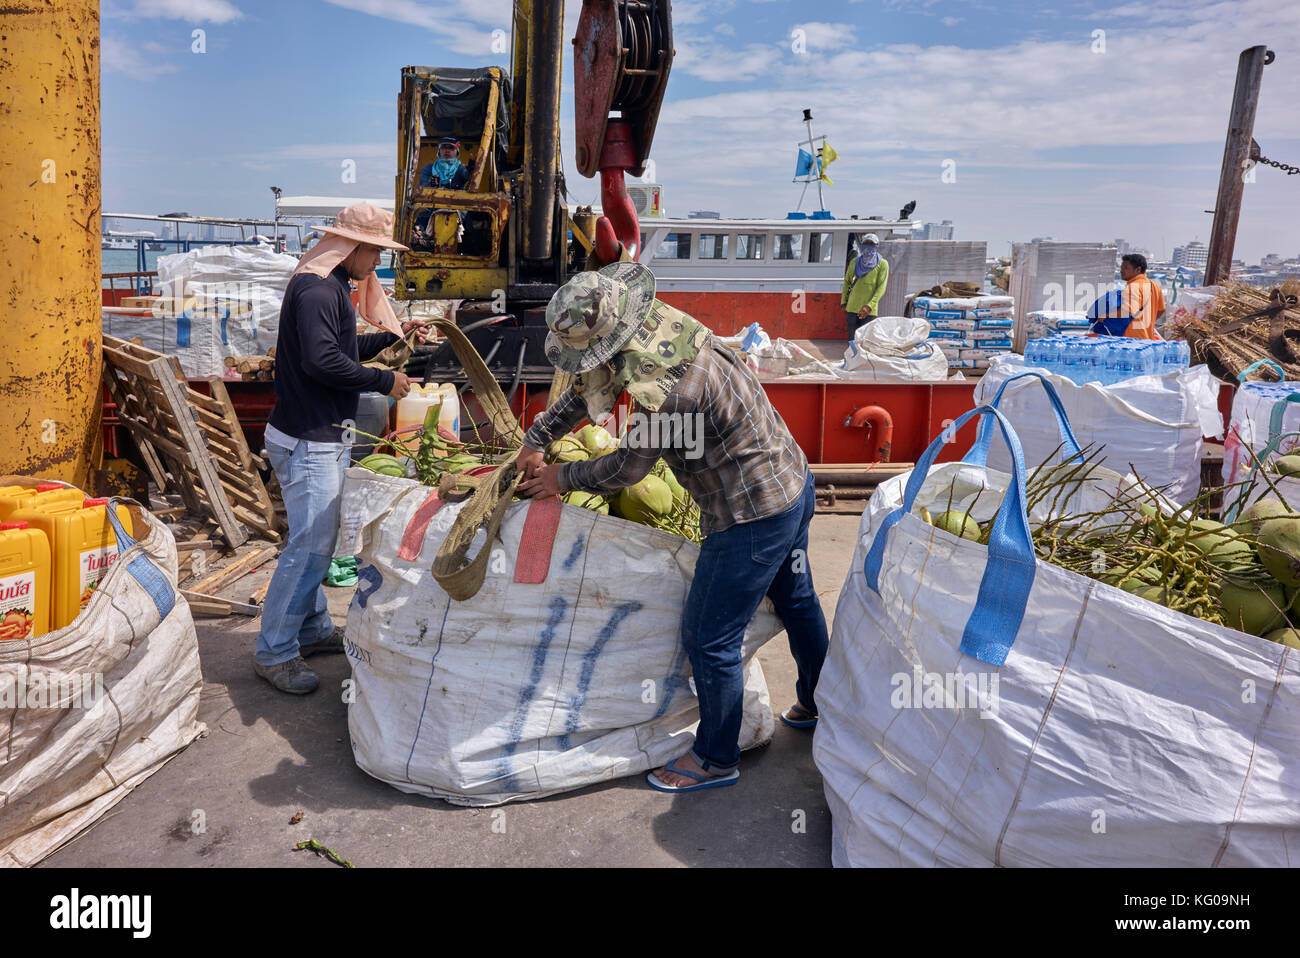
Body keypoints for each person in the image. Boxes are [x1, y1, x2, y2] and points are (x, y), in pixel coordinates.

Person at [516, 263, 830, 793]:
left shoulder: (673, 392)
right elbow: (591, 381)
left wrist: (559, 478)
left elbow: (627, 470)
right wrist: (538, 434)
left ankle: (714, 757)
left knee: (710, 637)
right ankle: (823, 705)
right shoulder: (657, 326)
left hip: (750, 514)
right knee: (797, 601)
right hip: (791, 481)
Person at [255, 203, 424, 695]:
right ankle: (275, 651)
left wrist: (390, 342)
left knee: (314, 543)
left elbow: (340, 348)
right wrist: (384, 380)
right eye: (375, 252)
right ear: (351, 247)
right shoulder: (317, 291)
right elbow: (323, 362)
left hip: (313, 434)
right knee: (310, 548)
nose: (377, 263)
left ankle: (309, 630)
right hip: (310, 438)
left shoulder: (327, 286)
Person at [414, 136, 471, 246]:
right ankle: (422, 239)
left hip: (457, 205)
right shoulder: (428, 168)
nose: (447, 151)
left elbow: (469, 180)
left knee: (466, 221)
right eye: (444, 147)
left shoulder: (461, 169)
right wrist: (432, 186)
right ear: (439, 150)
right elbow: (424, 187)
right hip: (432, 205)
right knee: (422, 217)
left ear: (457, 152)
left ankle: (467, 245)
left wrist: (472, 171)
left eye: (451, 148)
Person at [841, 233, 889, 339]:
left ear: (877, 246)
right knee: (852, 339)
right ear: (862, 246)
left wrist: (869, 306)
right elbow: (847, 282)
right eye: (866, 243)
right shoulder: (854, 262)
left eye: (872, 244)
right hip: (852, 308)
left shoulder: (882, 264)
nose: (868, 247)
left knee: (866, 340)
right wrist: (844, 302)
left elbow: (881, 287)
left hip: (870, 311)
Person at [1118, 252, 1165, 340]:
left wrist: (1105, 316)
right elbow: (1161, 310)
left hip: (1131, 339)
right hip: (1147, 338)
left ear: (1138, 269)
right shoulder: (1154, 286)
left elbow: (1126, 312)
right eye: (1121, 267)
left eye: (1126, 268)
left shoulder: (1133, 287)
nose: (1121, 270)